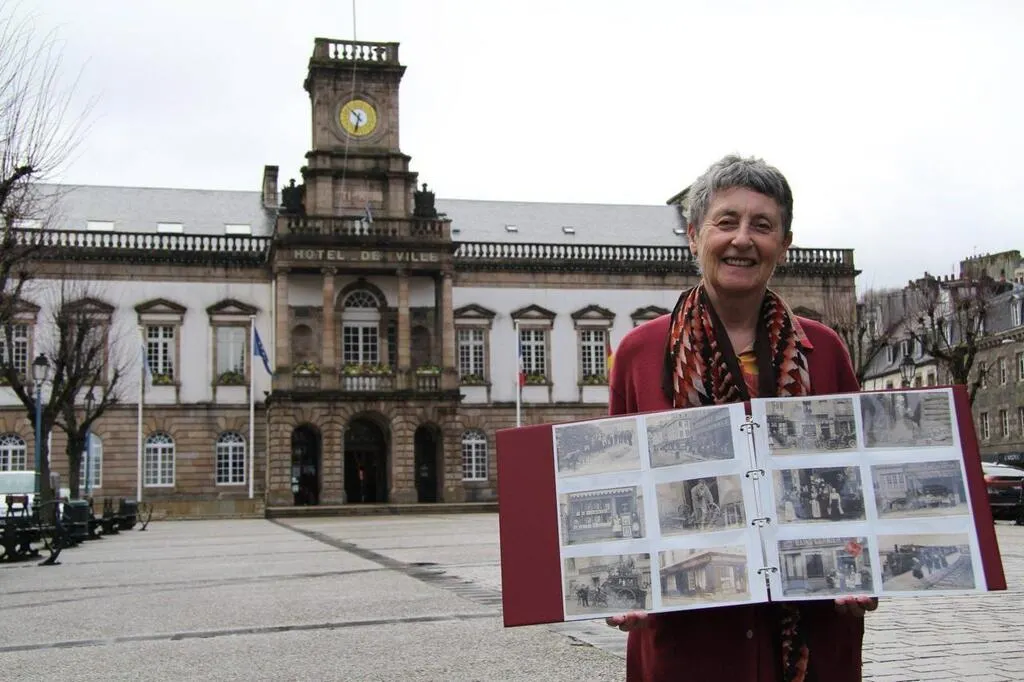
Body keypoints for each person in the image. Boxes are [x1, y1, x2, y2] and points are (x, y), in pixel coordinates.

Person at [606, 155, 877, 682]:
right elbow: (621, 486)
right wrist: (623, 583)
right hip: (690, 640)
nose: (742, 239)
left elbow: (858, 486)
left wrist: (864, 565)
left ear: (785, 244)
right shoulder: (640, 353)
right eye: (726, 221)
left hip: (812, 633)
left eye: (762, 225)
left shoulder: (823, 351)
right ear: (693, 236)